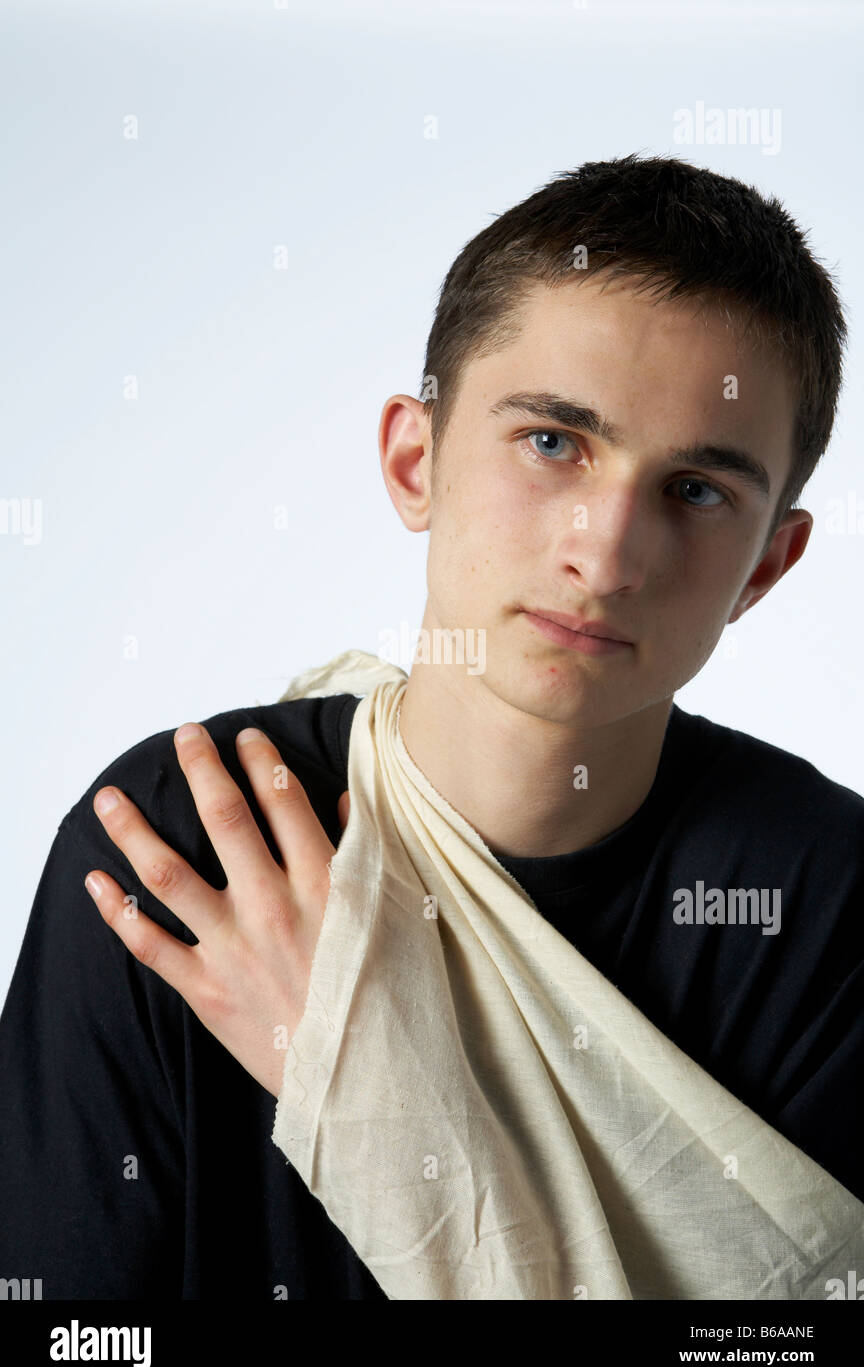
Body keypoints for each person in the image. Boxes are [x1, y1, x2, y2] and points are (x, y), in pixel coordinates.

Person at [1, 153, 861, 1300]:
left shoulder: (830, 908)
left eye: (697, 490)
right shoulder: (191, 842)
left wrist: (370, 1097)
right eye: (553, 441)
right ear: (416, 460)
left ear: (768, 564)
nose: (604, 555)